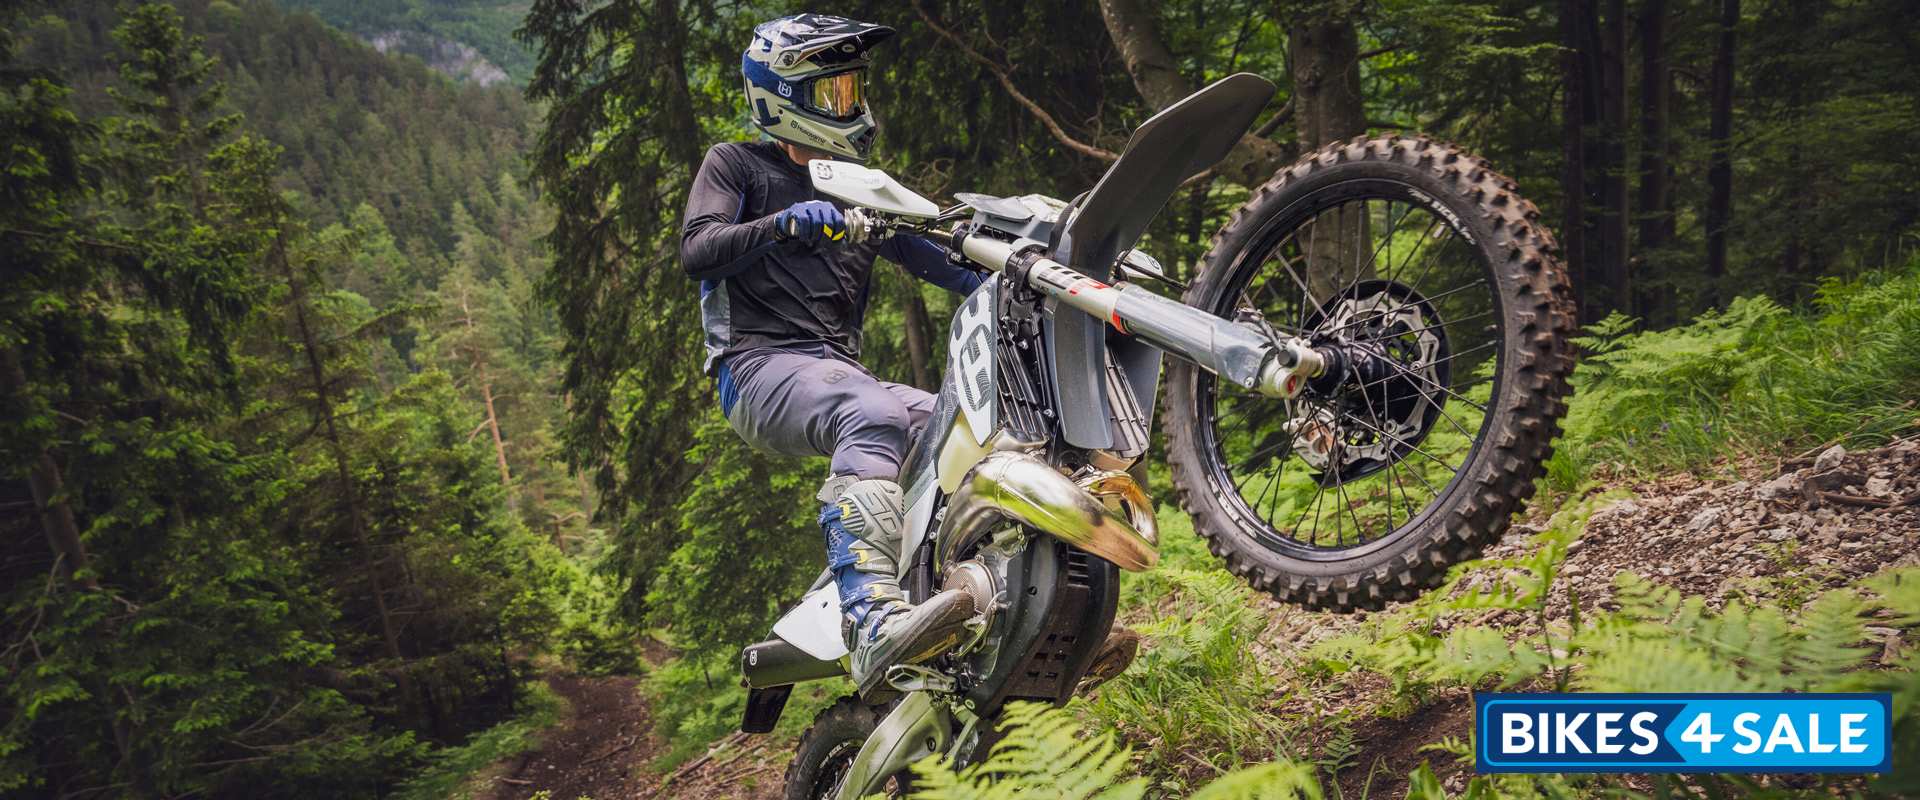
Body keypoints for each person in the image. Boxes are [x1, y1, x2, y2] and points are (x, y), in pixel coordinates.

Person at [679, 13, 984, 692]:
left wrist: (1012, 266)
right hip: (754, 368)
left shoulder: (858, 186)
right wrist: (780, 224)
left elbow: (946, 262)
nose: (851, 104)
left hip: (837, 370)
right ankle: (871, 620)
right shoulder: (736, 165)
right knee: (871, 411)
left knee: (964, 427)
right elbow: (697, 249)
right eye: (834, 92)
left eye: (852, 89)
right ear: (783, 98)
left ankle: (981, 599)